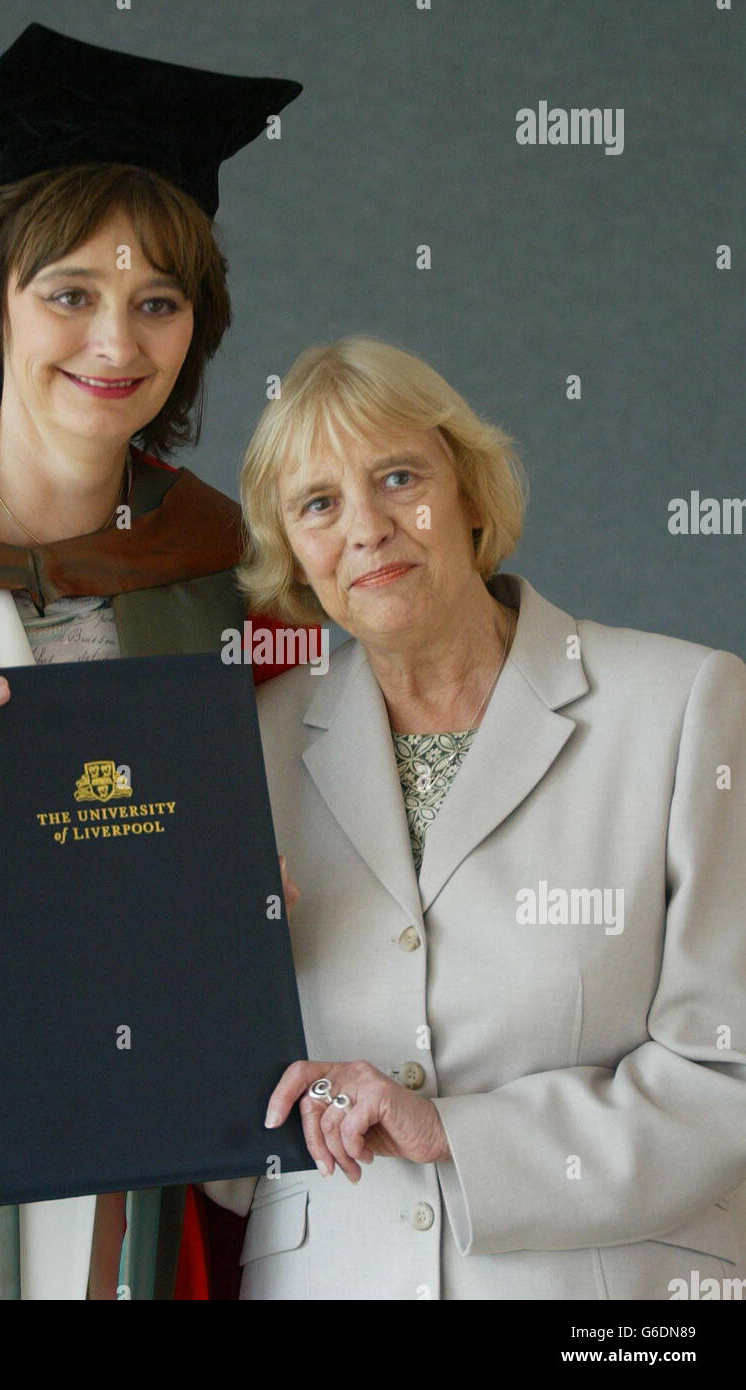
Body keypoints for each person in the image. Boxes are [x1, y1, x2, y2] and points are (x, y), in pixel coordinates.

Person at [0, 22, 304, 1300]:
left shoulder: (218, 572)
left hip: (139, 1189)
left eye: (158, 301)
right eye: (68, 292)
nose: (115, 344)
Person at [206, 334, 746, 1299]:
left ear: (468, 491)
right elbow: (216, 1131)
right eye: (319, 505)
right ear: (291, 550)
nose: (367, 527)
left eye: (399, 476)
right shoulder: (247, 745)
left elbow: (729, 1077)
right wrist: (207, 973)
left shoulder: (684, 704)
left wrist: (456, 1131)